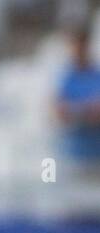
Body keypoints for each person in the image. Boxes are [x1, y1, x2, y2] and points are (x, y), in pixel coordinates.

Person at [55, 27, 100, 164]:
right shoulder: (65, 77)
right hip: (72, 153)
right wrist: (83, 110)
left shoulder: (96, 75)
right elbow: (57, 112)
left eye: (82, 46)